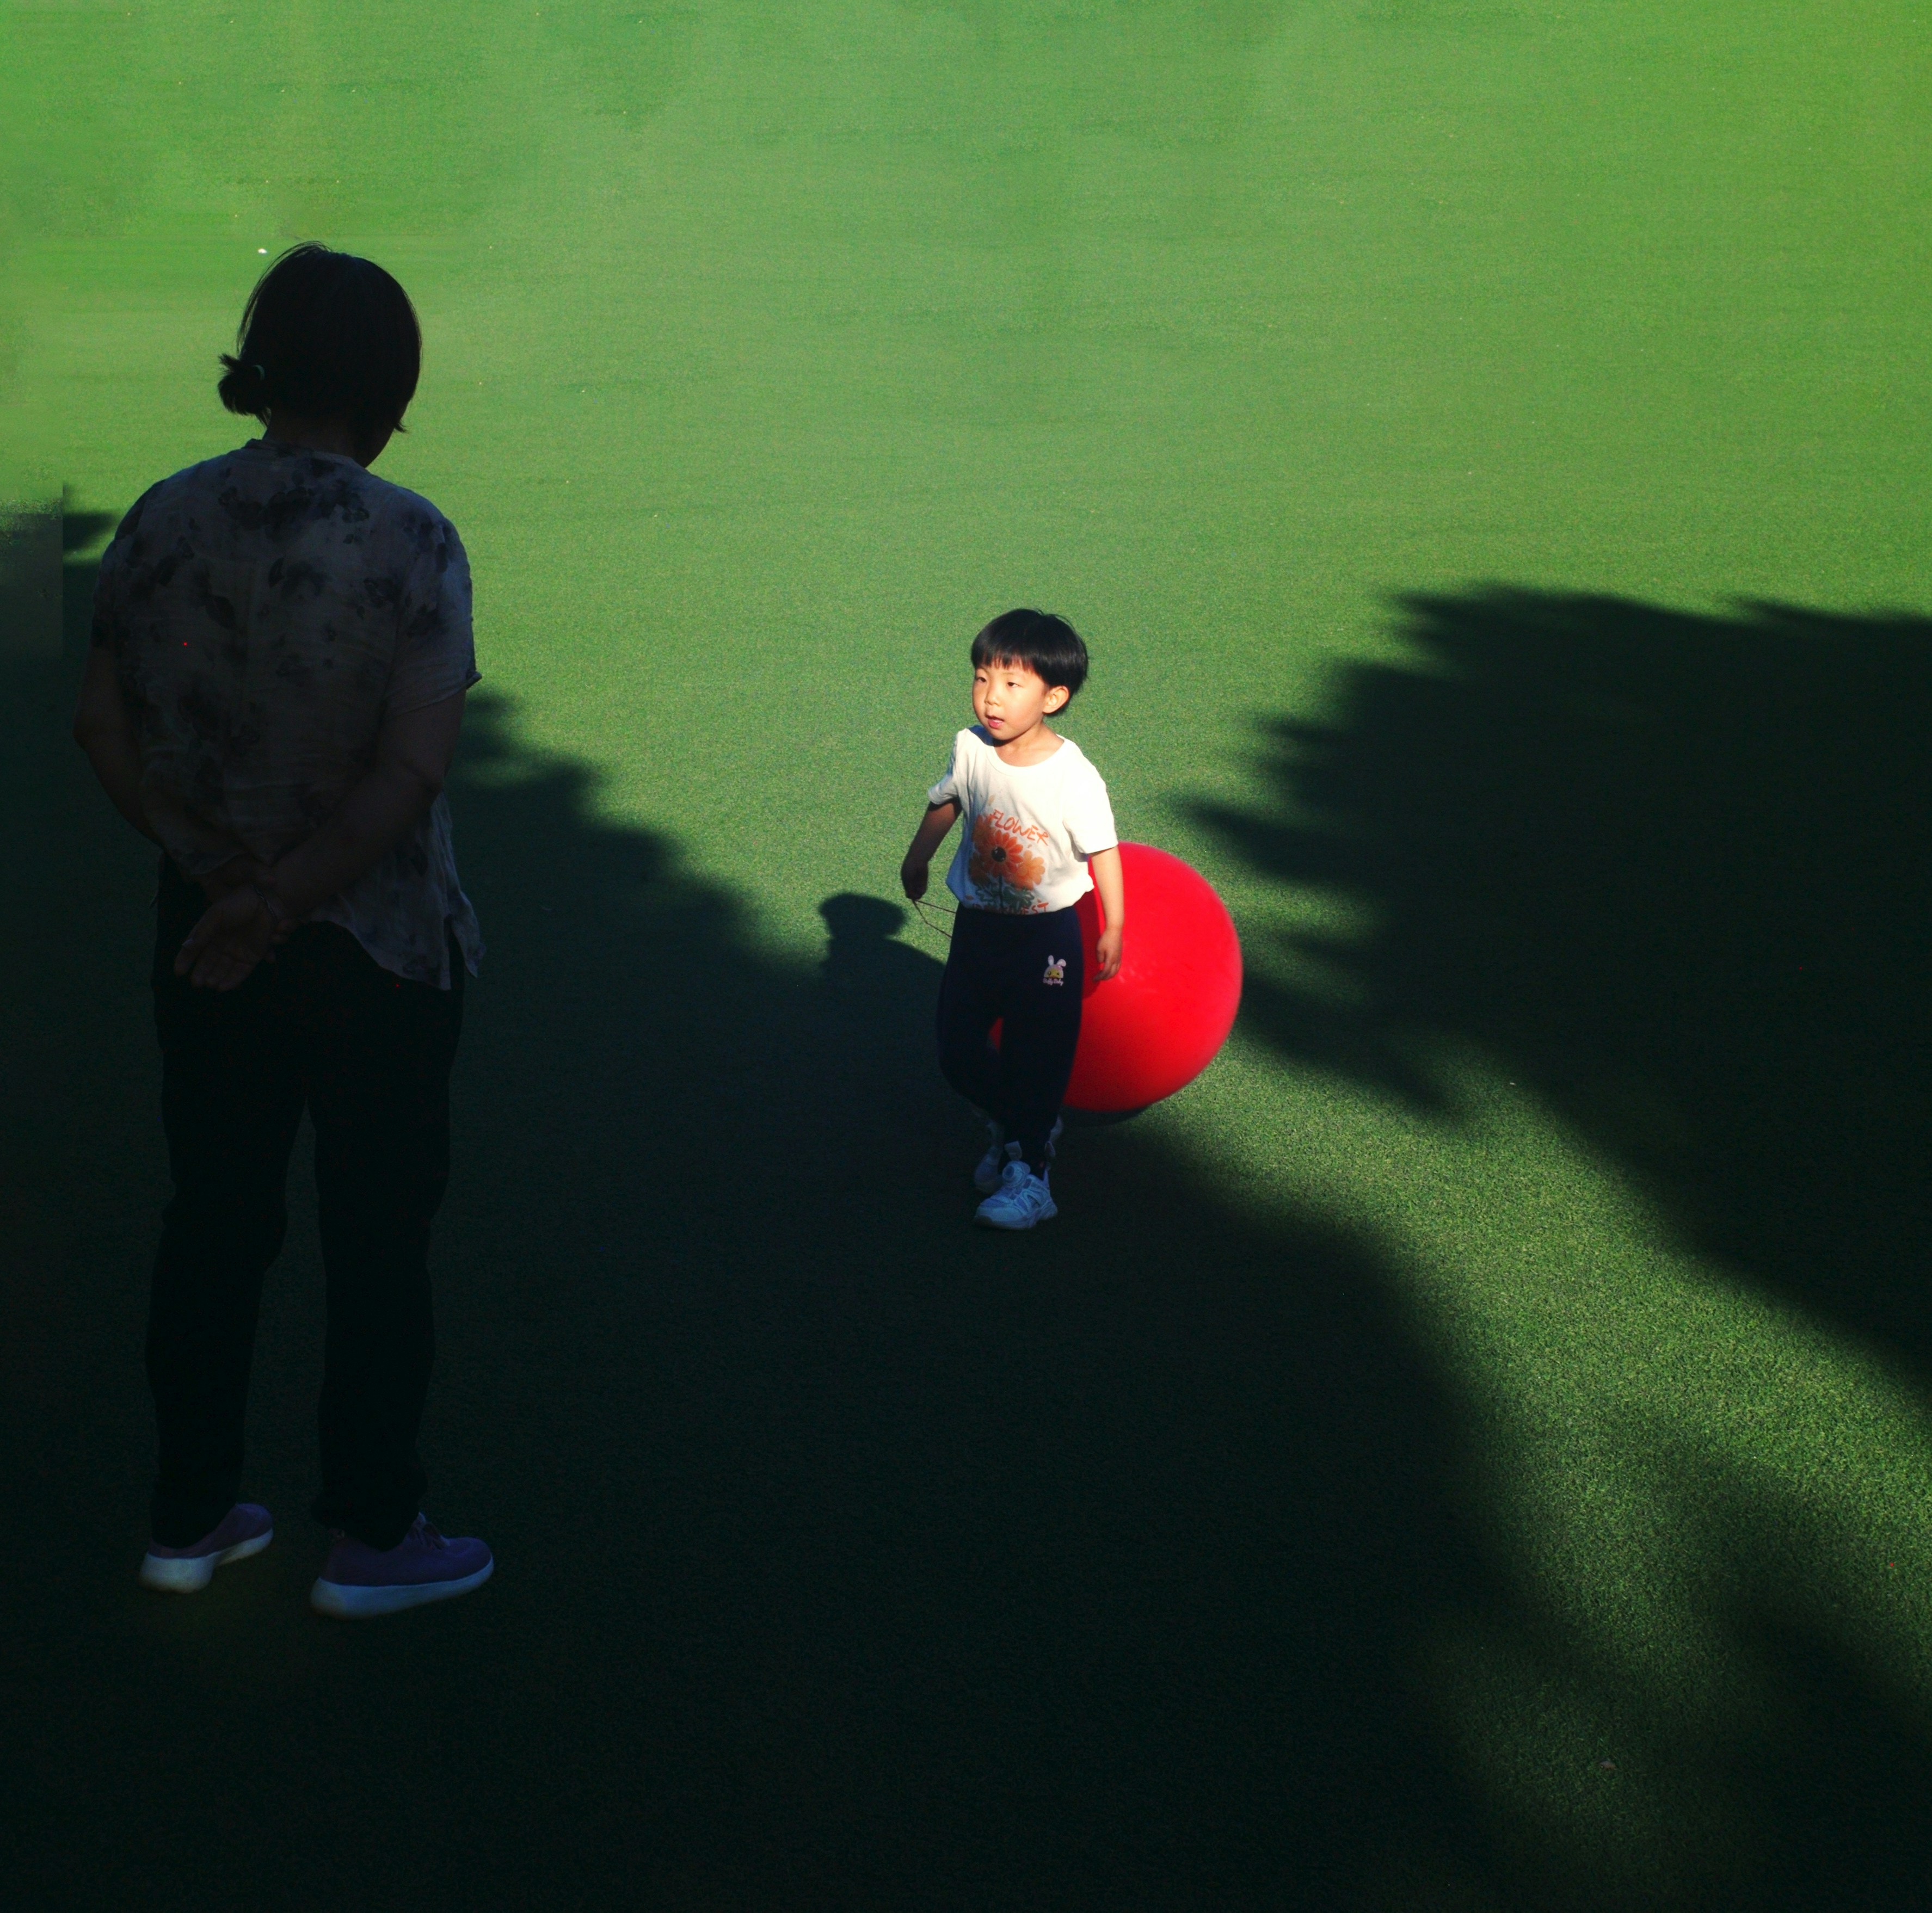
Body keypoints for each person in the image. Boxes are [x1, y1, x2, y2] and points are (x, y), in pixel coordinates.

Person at [73, 244, 493, 1618]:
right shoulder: (412, 537)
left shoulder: (161, 516)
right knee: (376, 1240)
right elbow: (410, 770)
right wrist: (292, 892)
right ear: (389, 383)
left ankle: (188, 1517)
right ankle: (372, 1530)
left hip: (206, 939)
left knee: (213, 1221)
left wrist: (226, 882)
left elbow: (101, 727)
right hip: (380, 947)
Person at [901, 609, 1125, 1230]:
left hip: (1046, 938)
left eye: (1010, 683)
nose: (991, 697)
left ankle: (1032, 1176)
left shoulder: (1072, 775)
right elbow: (948, 800)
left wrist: (1112, 925)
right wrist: (917, 858)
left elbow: (1104, 848)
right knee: (956, 1048)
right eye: (981, 678)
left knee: (1037, 1053)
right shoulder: (971, 746)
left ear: (1054, 697)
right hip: (978, 927)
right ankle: (1017, 1125)